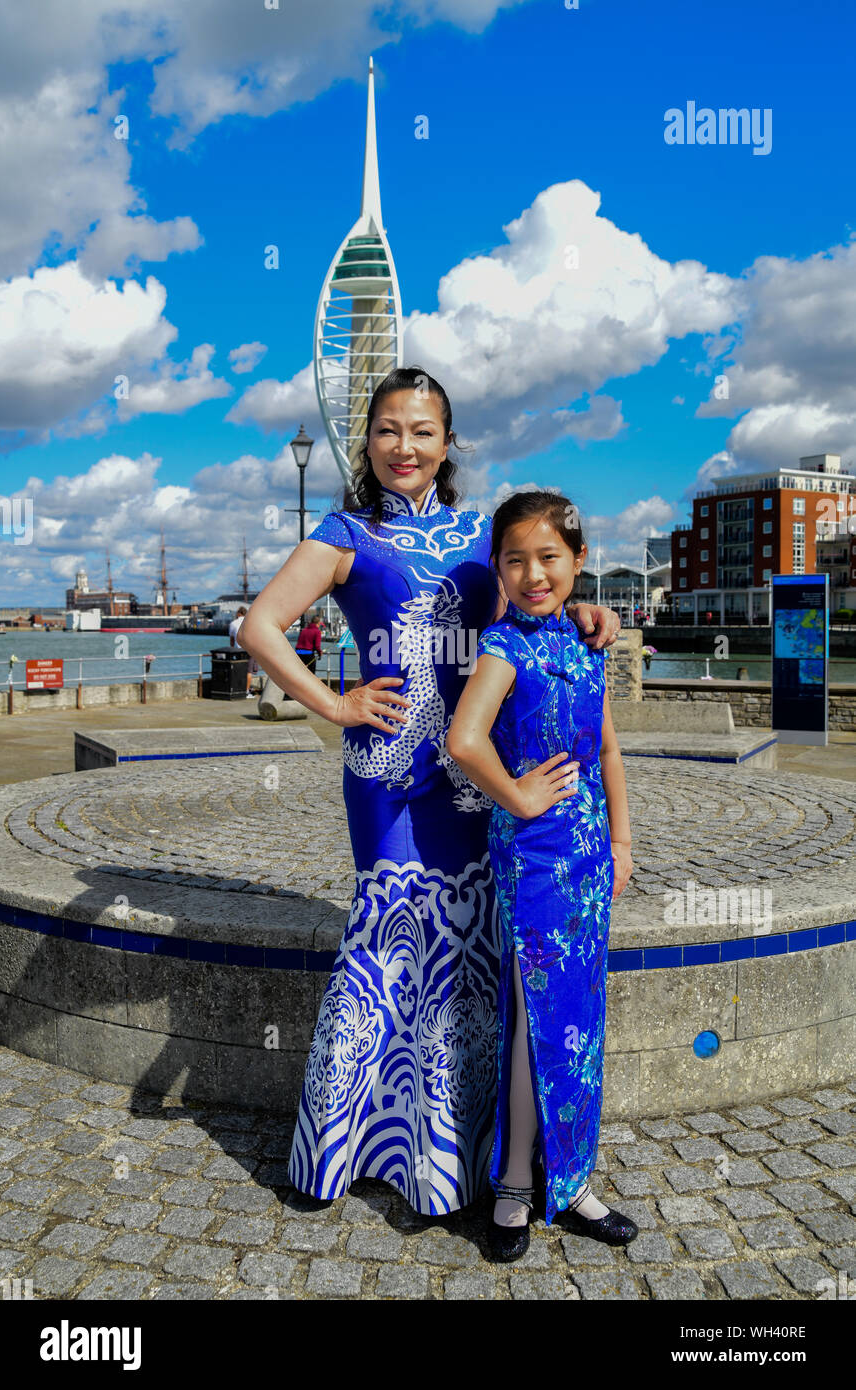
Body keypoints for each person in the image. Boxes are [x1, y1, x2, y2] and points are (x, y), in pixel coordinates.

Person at [238, 365, 621, 1216]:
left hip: (475, 778)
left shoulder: (477, 538)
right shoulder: (345, 533)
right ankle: (343, 1150)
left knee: (466, 957)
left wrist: (594, 613)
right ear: (365, 440)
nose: (403, 446)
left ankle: (451, 1164)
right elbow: (258, 627)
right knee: (387, 949)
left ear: (448, 445)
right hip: (387, 777)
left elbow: (533, 605)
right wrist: (336, 703)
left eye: (422, 431)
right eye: (387, 430)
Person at [446, 487, 638, 1260]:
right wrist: (520, 794)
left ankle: (572, 1179)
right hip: (534, 860)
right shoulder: (504, 647)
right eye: (516, 560)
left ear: (579, 561)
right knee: (535, 1024)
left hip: (591, 863)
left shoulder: (587, 645)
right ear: (498, 567)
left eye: (549, 558)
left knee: (578, 1023)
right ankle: (520, 1187)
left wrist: (623, 845)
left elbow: (610, 752)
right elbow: (464, 740)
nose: (534, 574)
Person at [282, 610, 323, 700]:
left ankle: (291, 694)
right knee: (310, 675)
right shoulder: (317, 632)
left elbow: (299, 643)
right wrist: (320, 653)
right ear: (318, 623)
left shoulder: (304, 630)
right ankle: (309, 695)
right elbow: (316, 645)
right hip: (308, 654)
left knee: (299, 674)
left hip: (298, 654)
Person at [228, 604, 260, 697]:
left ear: (238, 613)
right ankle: (246, 692)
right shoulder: (251, 622)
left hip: (238, 650)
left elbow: (232, 639)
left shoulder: (233, 623)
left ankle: (238, 690)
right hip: (250, 649)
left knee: (238, 670)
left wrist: (233, 649)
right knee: (249, 671)